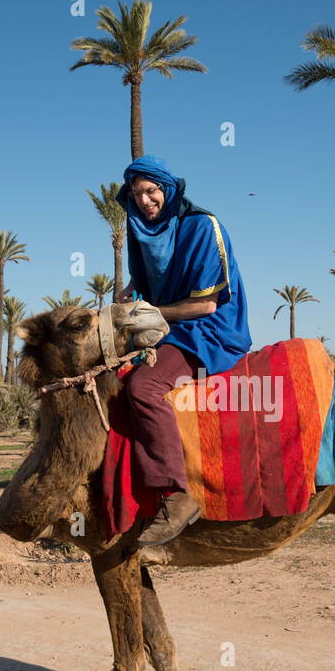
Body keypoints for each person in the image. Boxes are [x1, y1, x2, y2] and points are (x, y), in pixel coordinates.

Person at [114, 154, 252, 546]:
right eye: (137, 193)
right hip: (169, 325)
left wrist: (147, 313)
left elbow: (205, 305)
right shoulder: (143, 229)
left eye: (151, 191)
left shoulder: (203, 228)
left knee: (143, 387)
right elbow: (147, 280)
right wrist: (128, 296)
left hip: (207, 330)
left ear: (168, 189)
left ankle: (177, 495)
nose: (144, 201)